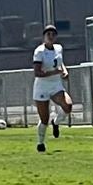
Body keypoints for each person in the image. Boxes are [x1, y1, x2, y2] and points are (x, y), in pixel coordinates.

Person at [31, 24, 73, 153]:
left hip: (55, 85)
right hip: (42, 87)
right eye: (48, 34)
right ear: (44, 36)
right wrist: (55, 72)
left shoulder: (58, 48)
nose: (50, 36)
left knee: (68, 106)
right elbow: (37, 73)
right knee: (44, 119)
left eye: (53, 34)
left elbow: (60, 63)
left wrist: (64, 72)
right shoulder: (39, 52)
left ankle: (56, 122)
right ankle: (40, 142)